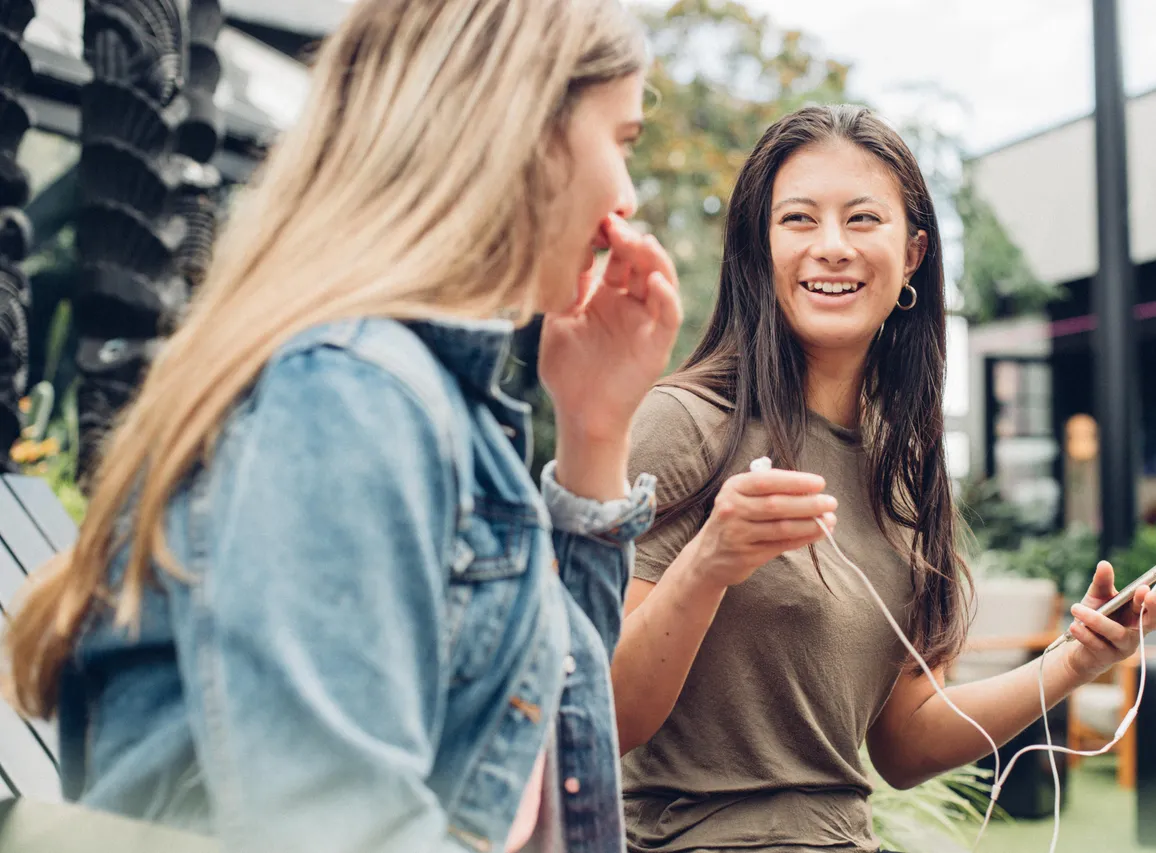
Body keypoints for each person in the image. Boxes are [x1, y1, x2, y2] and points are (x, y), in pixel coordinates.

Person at [2, 2, 682, 852]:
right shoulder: (352, 395)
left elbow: (546, 713)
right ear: (522, 126)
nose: (627, 192)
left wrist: (595, 427)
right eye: (622, 140)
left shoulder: (402, 395)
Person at [612, 105, 1156, 853]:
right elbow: (607, 711)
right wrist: (711, 561)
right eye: (800, 219)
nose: (832, 247)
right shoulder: (684, 424)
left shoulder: (901, 477)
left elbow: (904, 742)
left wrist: (1077, 659)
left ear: (912, 256)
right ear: (759, 249)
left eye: (862, 219)